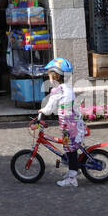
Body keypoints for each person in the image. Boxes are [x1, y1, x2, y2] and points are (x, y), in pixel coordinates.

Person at [39, 57, 87, 188]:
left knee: (70, 150)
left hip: (68, 125)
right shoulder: (67, 88)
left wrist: (41, 111)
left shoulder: (58, 90)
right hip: (74, 122)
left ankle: (72, 178)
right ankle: (73, 171)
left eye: (49, 74)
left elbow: (49, 109)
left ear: (55, 75)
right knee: (71, 149)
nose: (49, 77)